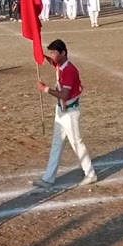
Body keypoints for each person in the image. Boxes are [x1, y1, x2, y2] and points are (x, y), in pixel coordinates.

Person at [34, 39, 97, 188]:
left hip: (70, 111)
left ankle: (90, 173)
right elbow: (52, 62)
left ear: (63, 53)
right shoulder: (61, 64)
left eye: (54, 52)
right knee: (57, 144)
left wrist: (45, 89)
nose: (52, 55)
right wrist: (40, 55)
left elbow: (65, 95)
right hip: (61, 110)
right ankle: (48, 178)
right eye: (51, 52)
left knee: (77, 143)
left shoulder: (69, 70)